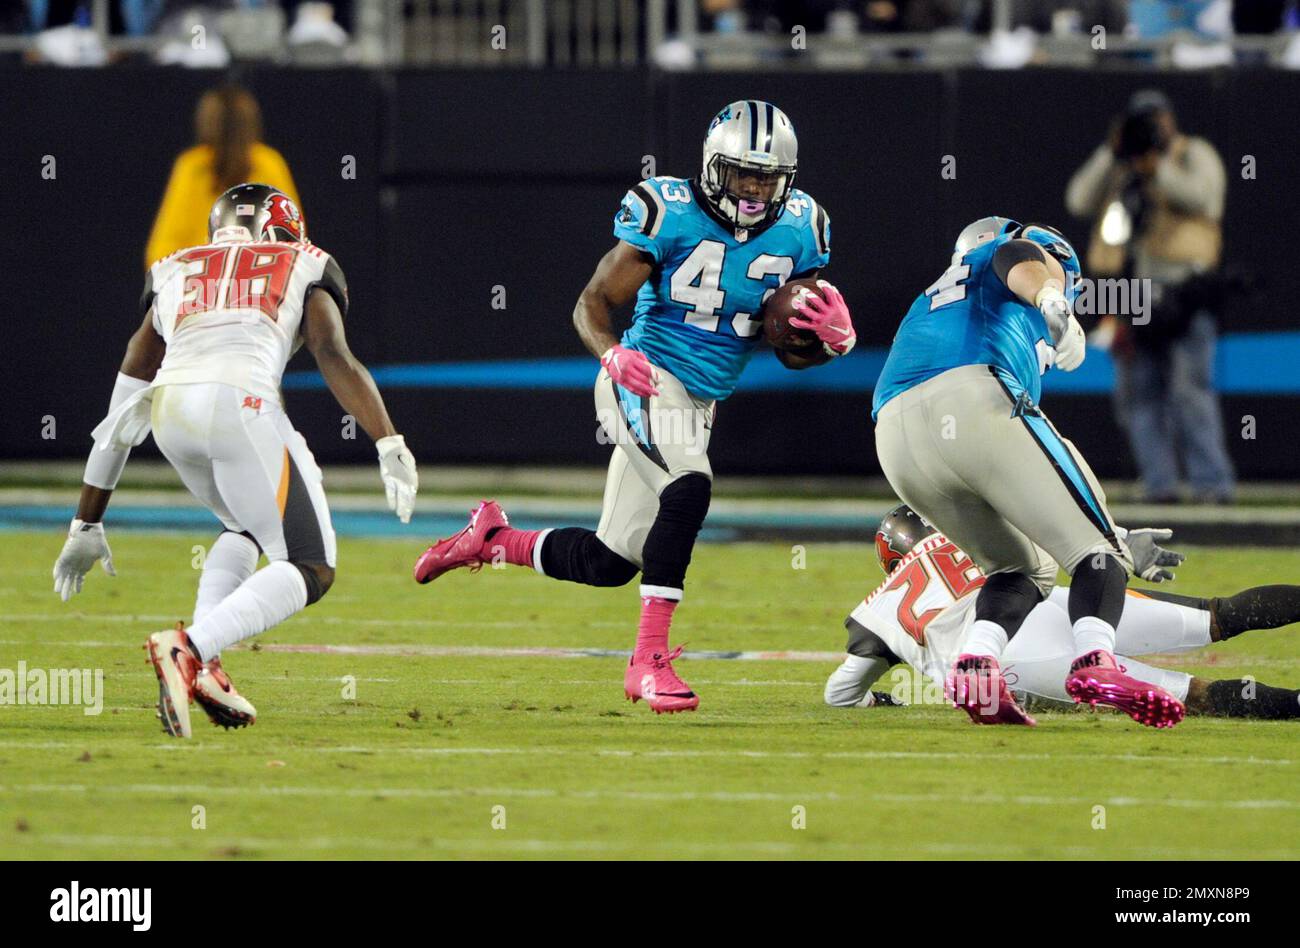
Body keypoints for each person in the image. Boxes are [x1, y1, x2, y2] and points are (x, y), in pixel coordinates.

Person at [412, 100, 854, 714]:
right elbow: (591, 301)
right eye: (742, 173)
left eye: (767, 177)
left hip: (700, 401)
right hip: (644, 377)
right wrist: (610, 353)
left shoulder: (804, 228)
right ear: (711, 166)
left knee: (609, 560)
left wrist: (832, 342)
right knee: (691, 486)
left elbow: (792, 353)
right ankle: (647, 663)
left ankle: (490, 540)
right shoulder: (667, 209)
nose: (754, 189)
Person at [52, 184, 418, 739]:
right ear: (284, 229)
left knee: (242, 526)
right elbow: (331, 351)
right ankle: (189, 648)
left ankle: (205, 668)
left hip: (169, 414)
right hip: (239, 407)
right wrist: (387, 439)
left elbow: (123, 402)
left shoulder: (175, 268)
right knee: (312, 565)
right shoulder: (303, 260)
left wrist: (87, 519)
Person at [872, 215, 1184, 729]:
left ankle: (975, 663)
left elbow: (1022, 490)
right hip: (972, 397)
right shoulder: (1021, 258)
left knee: (1022, 568)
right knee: (1096, 553)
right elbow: (1016, 258)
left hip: (894, 437)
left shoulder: (941, 296)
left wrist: (1112, 533)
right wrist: (1052, 299)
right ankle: (1095, 663)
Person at [826, 506, 1300, 721]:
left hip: (1006, 659)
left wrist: (877, 701)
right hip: (1059, 604)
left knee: (1197, 696)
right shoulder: (977, 528)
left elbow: (841, 693)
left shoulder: (878, 606)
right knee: (1219, 615)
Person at [1065, 89, 1234, 504]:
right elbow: (1079, 200)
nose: (1148, 130)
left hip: (1183, 287)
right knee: (1137, 394)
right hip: (1134, 291)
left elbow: (1203, 199)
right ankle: (1160, 486)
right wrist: (1112, 151)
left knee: (1189, 391)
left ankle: (1212, 486)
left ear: (1170, 120)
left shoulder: (1192, 154)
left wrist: (1157, 164)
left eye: (1154, 121)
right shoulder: (1124, 166)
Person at [145, 85, 300, 269]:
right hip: (261, 281)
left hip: (200, 283)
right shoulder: (269, 162)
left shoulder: (192, 166)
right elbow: (293, 235)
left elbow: (162, 248)